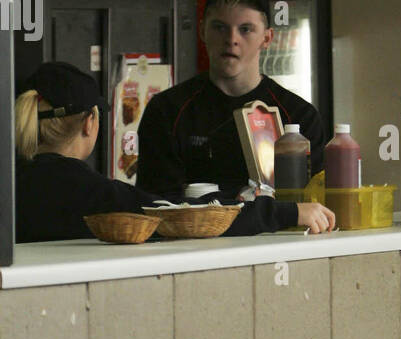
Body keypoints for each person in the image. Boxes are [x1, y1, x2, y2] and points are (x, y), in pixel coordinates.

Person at [14, 62, 334, 240]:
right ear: (90, 124)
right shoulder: (97, 195)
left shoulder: (12, 184)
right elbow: (183, 216)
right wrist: (288, 212)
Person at [137, 0, 325, 202]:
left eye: (245, 29)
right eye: (219, 27)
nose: (231, 40)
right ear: (202, 31)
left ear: (267, 38)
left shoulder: (300, 116)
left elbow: (315, 204)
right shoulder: (167, 111)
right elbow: (155, 203)